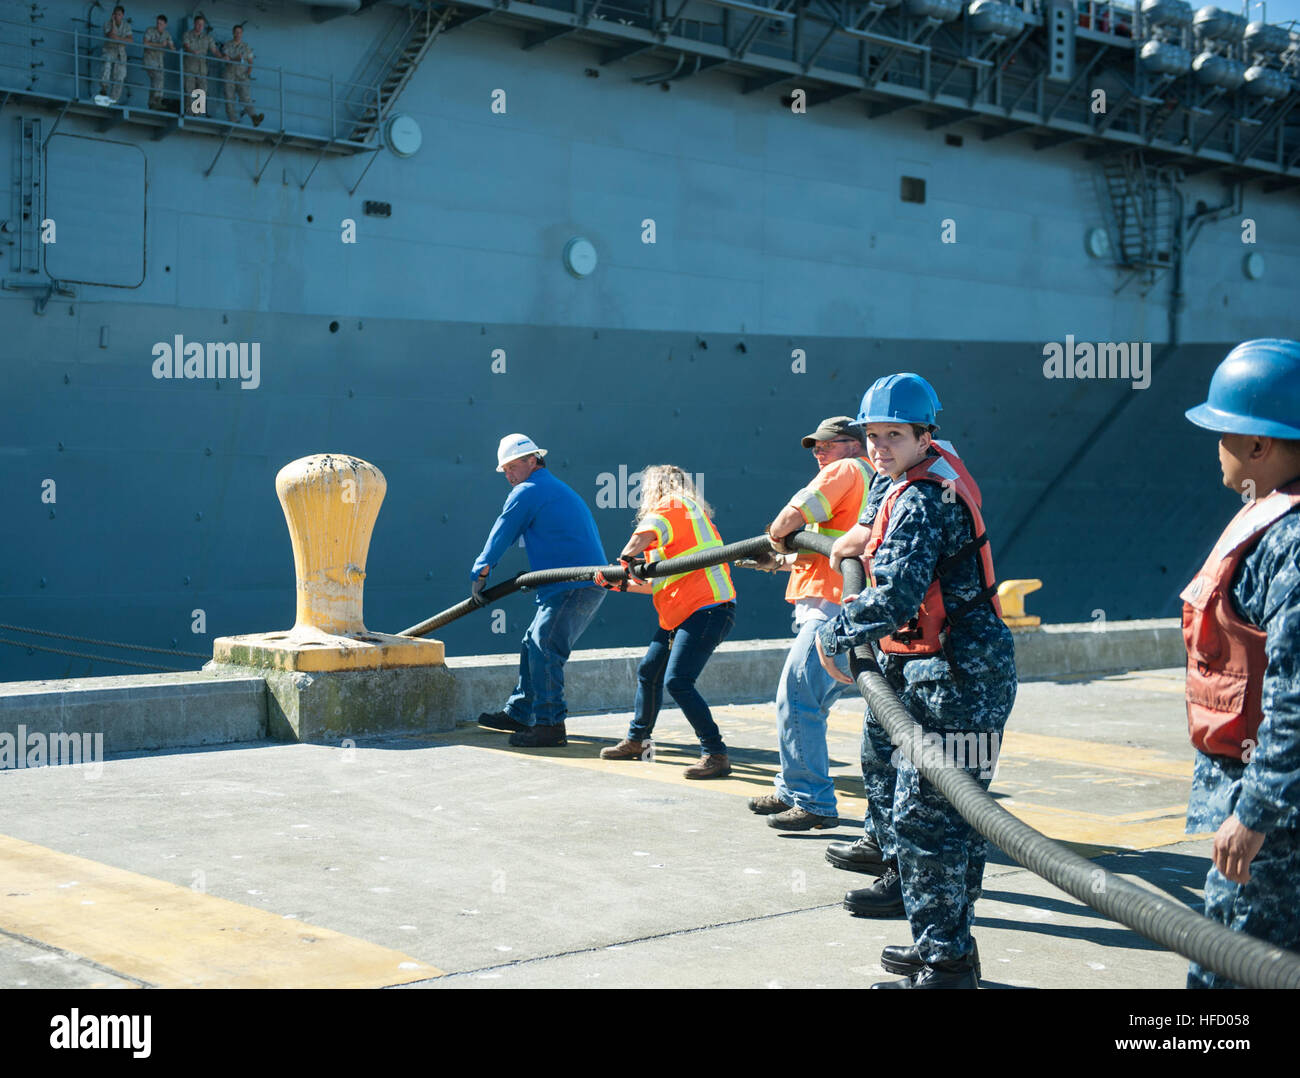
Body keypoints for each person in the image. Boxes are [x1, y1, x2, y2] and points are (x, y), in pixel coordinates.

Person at [817, 373, 1016, 989]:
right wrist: (852, 540)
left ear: (923, 435)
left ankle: (947, 964)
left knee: (929, 823)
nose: (878, 448)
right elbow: (875, 522)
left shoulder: (927, 500)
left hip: (959, 678)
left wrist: (834, 635)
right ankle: (947, 946)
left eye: (892, 435)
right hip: (954, 670)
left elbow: (899, 595)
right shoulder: (913, 475)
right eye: (871, 436)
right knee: (955, 821)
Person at [1180, 339, 1300, 989]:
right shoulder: (1273, 520)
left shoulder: (1293, 541)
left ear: (1260, 446)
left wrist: (1255, 813)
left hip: (1280, 827)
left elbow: (1297, 701)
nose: (1216, 447)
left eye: (1224, 432)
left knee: (1227, 976)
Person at [746, 417, 875, 830]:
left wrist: (775, 536)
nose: (819, 452)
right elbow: (828, 549)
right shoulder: (872, 479)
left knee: (796, 698)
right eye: (814, 447)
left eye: (828, 444)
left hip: (831, 609)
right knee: (809, 703)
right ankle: (792, 787)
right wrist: (779, 560)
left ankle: (813, 801)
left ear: (853, 445)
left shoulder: (845, 470)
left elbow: (791, 518)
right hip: (847, 602)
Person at [596, 466, 737, 779]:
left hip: (707, 608)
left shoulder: (674, 505)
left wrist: (627, 556)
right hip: (690, 611)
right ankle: (637, 740)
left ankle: (715, 752)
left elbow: (643, 534)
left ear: (655, 489)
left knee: (677, 681)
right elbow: (656, 584)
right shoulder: (680, 529)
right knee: (650, 671)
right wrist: (618, 583)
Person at [472, 434, 606, 748]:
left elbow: (503, 530)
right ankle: (520, 712)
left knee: (545, 646)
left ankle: (549, 726)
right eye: (504, 470)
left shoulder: (529, 490)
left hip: (574, 585)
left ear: (533, 460)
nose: (508, 475)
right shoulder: (551, 488)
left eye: (513, 467)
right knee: (532, 642)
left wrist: (481, 569)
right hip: (572, 585)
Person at [222, 24, 264, 126]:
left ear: (242, 34)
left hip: (242, 75)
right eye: (236, 32)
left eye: (239, 32)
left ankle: (254, 117)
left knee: (246, 97)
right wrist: (235, 59)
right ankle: (233, 120)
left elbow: (250, 61)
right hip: (230, 75)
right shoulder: (227, 45)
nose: (238, 34)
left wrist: (249, 72)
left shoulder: (246, 47)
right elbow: (226, 59)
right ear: (233, 33)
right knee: (229, 98)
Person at [181, 12, 222, 113]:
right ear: (194, 24)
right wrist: (192, 51)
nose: (200, 26)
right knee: (189, 91)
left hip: (202, 70)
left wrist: (223, 57)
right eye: (198, 24)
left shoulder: (207, 38)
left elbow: (214, 50)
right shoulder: (187, 34)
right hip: (190, 67)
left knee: (201, 91)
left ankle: (197, 114)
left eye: (202, 25)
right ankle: (189, 113)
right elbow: (186, 45)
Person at [99, 6, 133, 104]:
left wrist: (117, 38)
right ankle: (104, 89)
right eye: (115, 14)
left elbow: (130, 40)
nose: (117, 16)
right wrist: (113, 23)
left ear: (122, 15)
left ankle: (114, 99)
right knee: (106, 66)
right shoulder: (108, 23)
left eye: (119, 14)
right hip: (109, 50)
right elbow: (110, 35)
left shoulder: (126, 26)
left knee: (120, 76)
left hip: (121, 54)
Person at [142, 14, 174, 112]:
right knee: (158, 78)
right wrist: (160, 45)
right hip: (150, 60)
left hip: (159, 62)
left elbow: (172, 47)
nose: (158, 25)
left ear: (165, 24)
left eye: (161, 24)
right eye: (157, 23)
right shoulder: (150, 31)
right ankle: (157, 101)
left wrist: (171, 46)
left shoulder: (167, 34)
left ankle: (152, 103)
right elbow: (145, 43)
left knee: (156, 81)